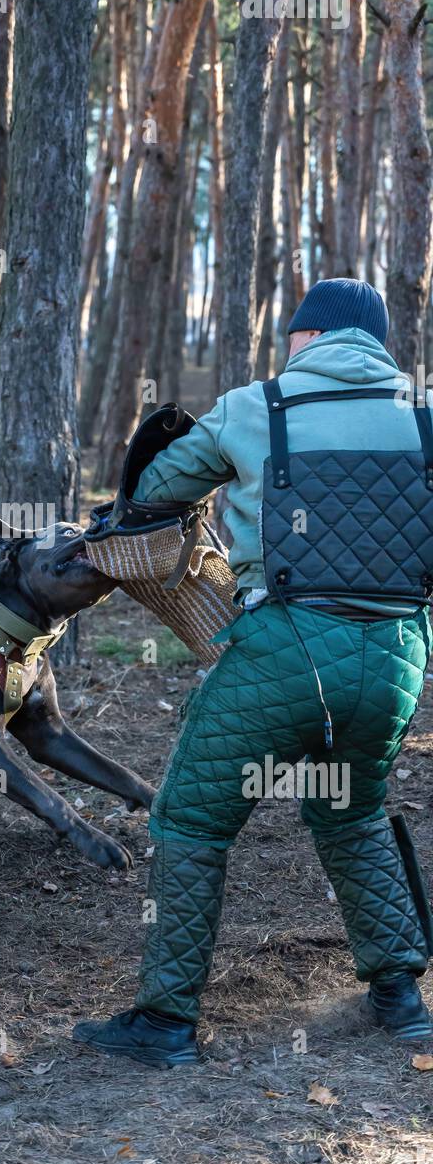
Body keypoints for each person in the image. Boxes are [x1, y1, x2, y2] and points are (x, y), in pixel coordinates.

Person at [73, 278, 433, 1066]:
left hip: (285, 652)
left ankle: (166, 1021)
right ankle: (401, 995)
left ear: (307, 337)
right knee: (354, 811)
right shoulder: (426, 416)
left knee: (193, 820)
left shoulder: (257, 404)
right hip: (399, 660)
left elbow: (156, 492)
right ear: (376, 344)